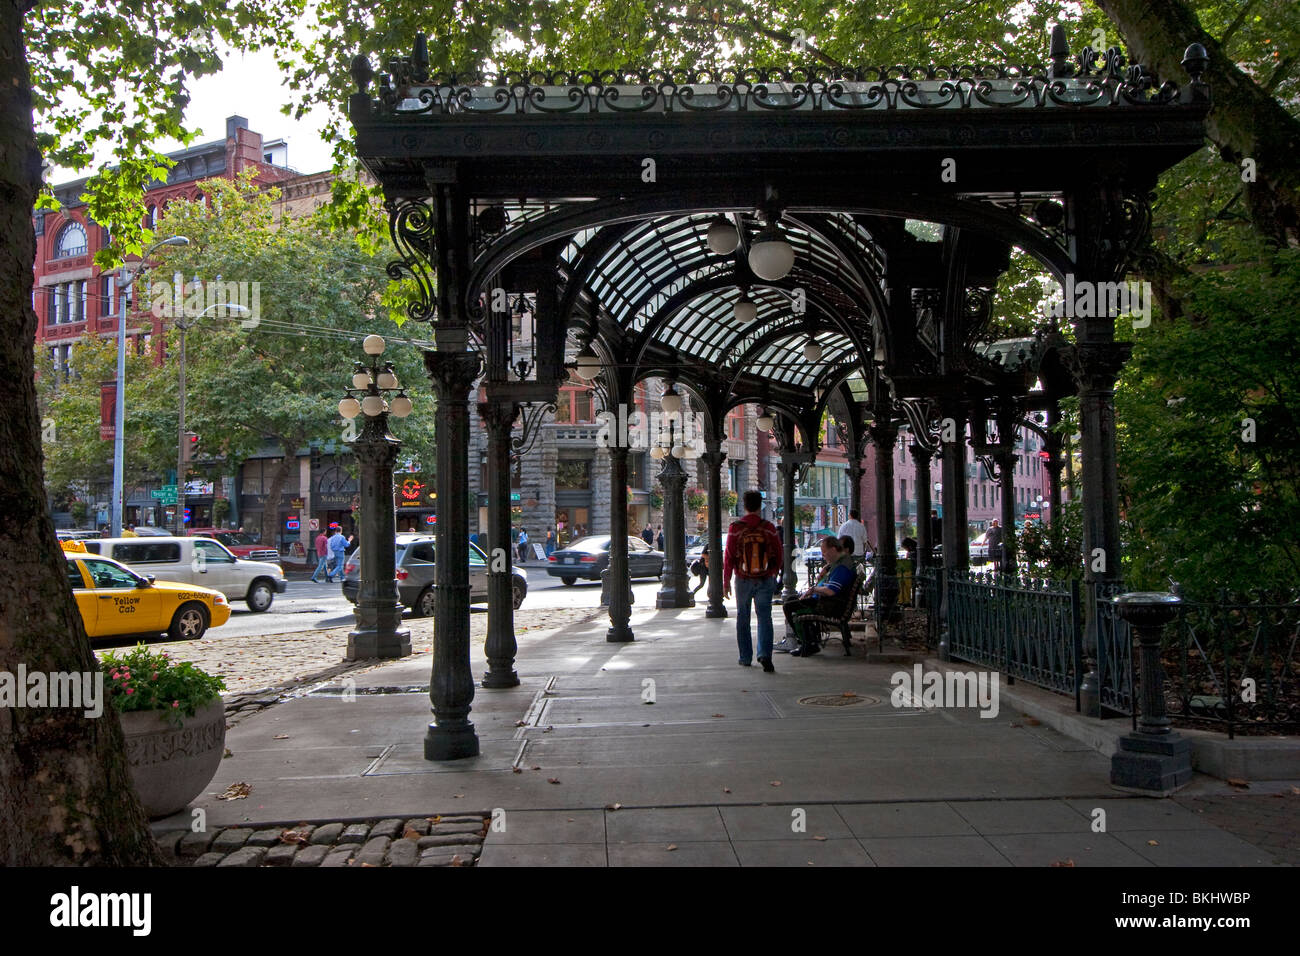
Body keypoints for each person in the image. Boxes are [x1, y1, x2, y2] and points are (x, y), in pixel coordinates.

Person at [723, 491, 783, 672]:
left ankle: (745, 657)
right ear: (760, 505)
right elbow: (779, 554)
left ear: (744, 504)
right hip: (765, 579)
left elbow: (729, 557)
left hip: (743, 579)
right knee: (765, 617)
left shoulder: (736, 528)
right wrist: (772, 573)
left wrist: (726, 581)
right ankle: (764, 654)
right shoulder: (769, 527)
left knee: (743, 617)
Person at [781, 536, 858, 657]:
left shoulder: (842, 568)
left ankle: (808, 643)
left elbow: (830, 591)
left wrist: (813, 589)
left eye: (824, 552)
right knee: (792, 601)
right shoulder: (841, 563)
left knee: (790, 607)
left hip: (830, 605)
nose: (823, 555)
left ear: (833, 550)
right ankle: (809, 641)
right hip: (828, 602)